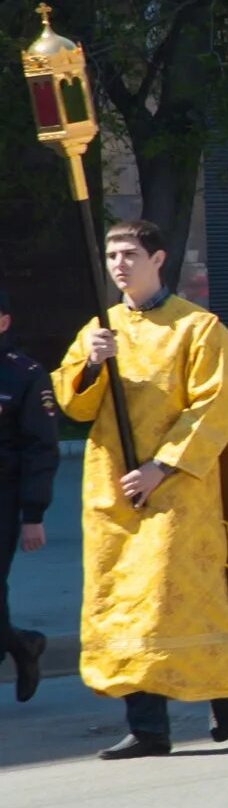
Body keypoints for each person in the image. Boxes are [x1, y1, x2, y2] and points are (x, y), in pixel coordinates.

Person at [55, 220, 228, 757]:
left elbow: (214, 408)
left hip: (180, 491)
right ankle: (147, 728)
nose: (119, 264)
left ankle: (224, 687)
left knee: (180, 598)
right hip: (115, 488)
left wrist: (161, 466)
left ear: (158, 259)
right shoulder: (99, 328)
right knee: (128, 604)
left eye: (130, 254)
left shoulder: (198, 328)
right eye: (112, 255)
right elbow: (74, 406)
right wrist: (91, 364)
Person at [0, 290, 59, 702]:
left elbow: (41, 448)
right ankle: (22, 645)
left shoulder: (24, 374)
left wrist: (33, 514)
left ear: (3, 321)